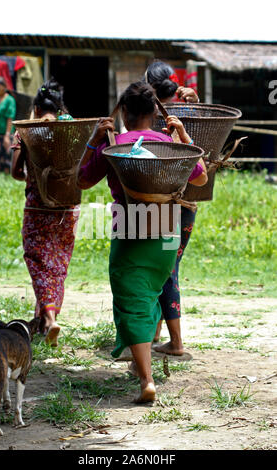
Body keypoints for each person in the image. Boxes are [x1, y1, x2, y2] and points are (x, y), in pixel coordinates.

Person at [76, 82, 206, 404]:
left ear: (124, 113)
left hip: (131, 230)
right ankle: (138, 364)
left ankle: (147, 380)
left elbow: (82, 180)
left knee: (132, 297)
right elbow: (201, 176)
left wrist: (93, 141)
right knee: (151, 292)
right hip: (166, 234)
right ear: (153, 113)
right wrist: (183, 135)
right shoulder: (168, 143)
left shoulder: (114, 146)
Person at [11, 79, 80, 347]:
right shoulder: (71, 129)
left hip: (38, 208)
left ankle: (49, 318)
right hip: (67, 210)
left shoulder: (26, 131)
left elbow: (16, 172)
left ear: (37, 109)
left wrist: (34, 176)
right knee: (58, 265)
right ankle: (42, 320)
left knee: (38, 261)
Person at [145, 60, 206, 356]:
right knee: (167, 267)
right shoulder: (188, 111)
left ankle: (177, 342)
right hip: (188, 202)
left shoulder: (151, 117)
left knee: (164, 270)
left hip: (161, 203)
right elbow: (202, 166)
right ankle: (156, 331)